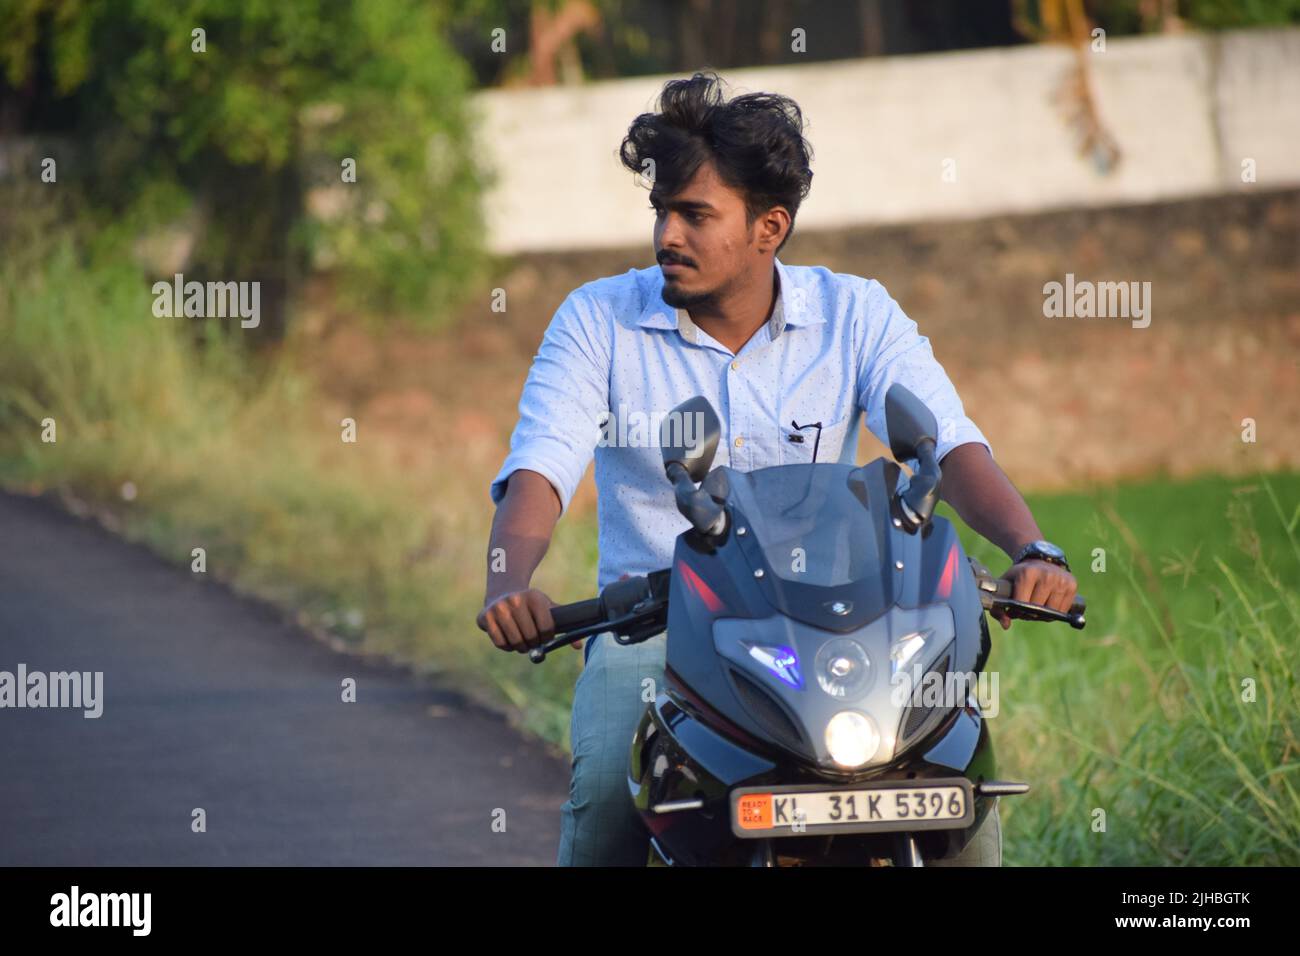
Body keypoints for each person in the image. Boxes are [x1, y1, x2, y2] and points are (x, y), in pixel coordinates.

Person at [476, 71, 1078, 866]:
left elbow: (952, 446)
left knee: (955, 784)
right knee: (607, 797)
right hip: (660, 633)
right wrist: (507, 582)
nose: (666, 235)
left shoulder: (856, 314)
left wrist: (1033, 550)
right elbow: (541, 471)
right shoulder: (598, 320)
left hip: (839, 628)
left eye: (694, 215)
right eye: (661, 211)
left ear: (770, 227)